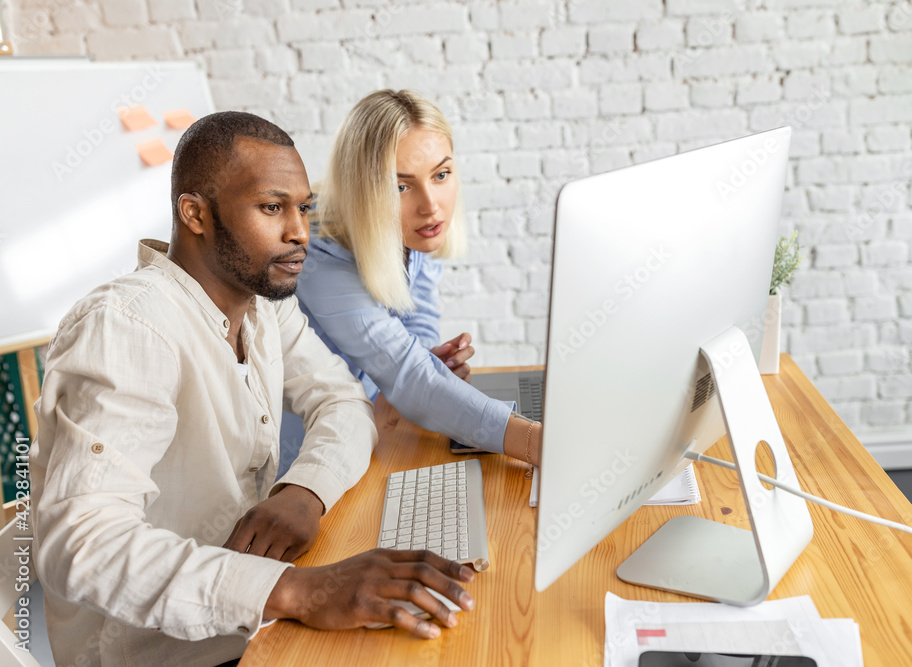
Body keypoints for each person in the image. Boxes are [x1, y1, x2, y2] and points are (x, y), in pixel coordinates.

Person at [30, 111, 475, 667]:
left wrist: (306, 491)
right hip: (164, 653)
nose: (300, 233)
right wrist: (299, 590)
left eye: (303, 208)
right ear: (195, 213)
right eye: (272, 208)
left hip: (254, 625)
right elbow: (83, 547)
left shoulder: (262, 308)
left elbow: (341, 400)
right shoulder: (126, 326)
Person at [279, 90, 540, 477]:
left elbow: (416, 324)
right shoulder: (318, 255)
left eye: (441, 174)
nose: (431, 205)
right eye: (401, 186)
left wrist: (430, 359)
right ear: (363, 191)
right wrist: (535, 442)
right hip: (312, 461)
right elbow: (409, 377)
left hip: (378, 427)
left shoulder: (413, 229)